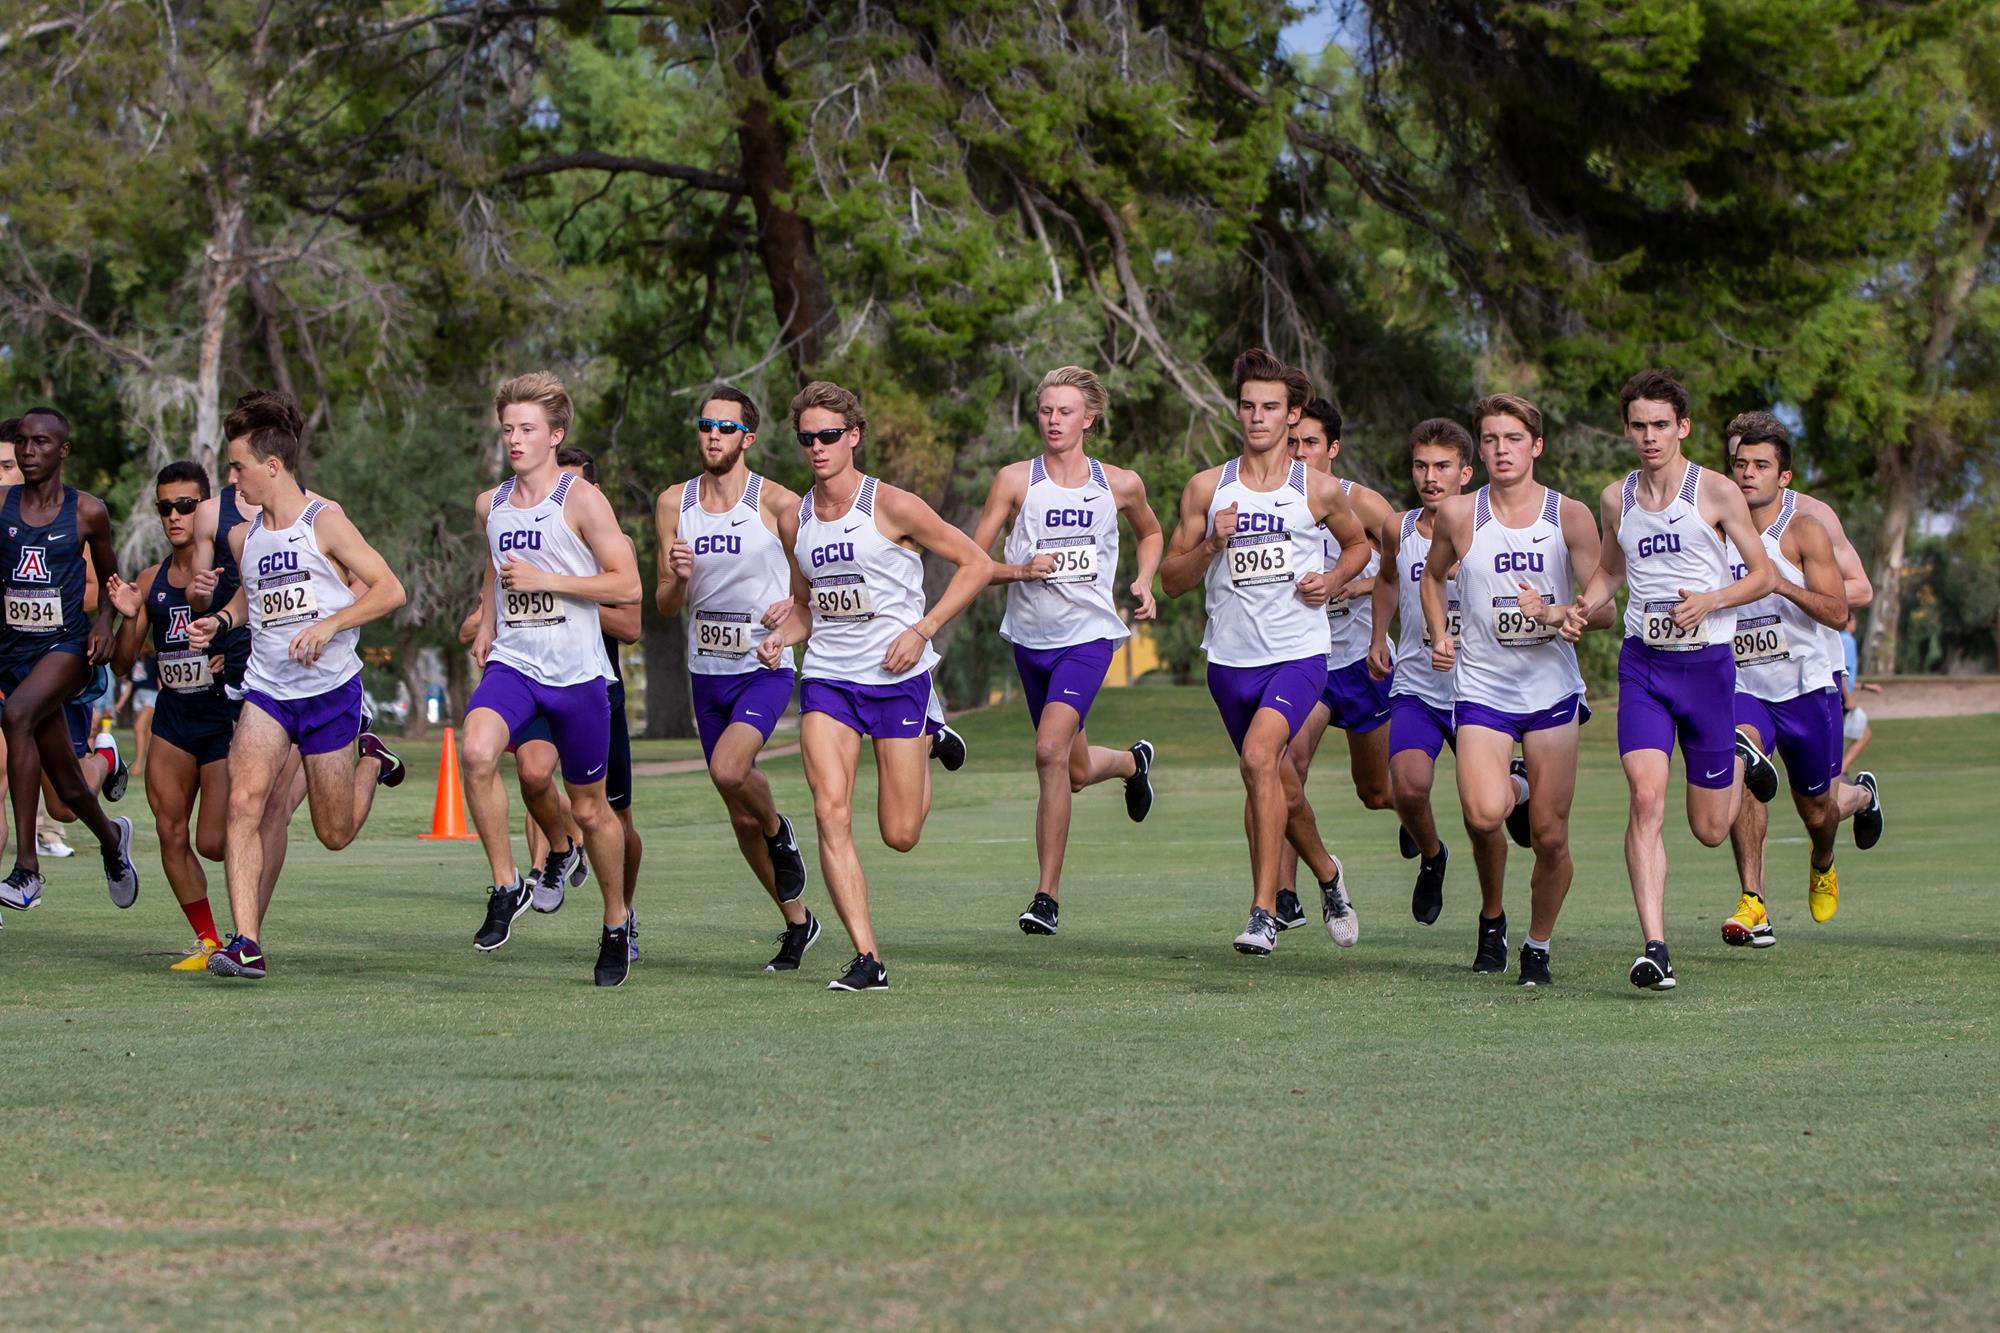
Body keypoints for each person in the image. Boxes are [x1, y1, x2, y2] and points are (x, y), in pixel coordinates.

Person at [756, 380, 993, 991]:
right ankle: (868, 958)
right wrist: (785, 634)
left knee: (900, 833)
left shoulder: (893, 506)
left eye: (829, 436)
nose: (817, 447)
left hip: (896, 678)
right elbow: (809, 606)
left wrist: (923, 629)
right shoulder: (794, 517)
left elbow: (977, 565)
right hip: (830, 677)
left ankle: (931, 732)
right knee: (829, 811)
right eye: (806, 438)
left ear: (854, 436)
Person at [1560, 370, 1777, 992]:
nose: (1650, 436)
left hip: (1707, 668)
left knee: (1711, 830)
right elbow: (1608, 571)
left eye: (1662, 425)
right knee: (1646, 798)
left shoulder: (1715, 492)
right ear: (1626, 428)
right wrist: (1583, 606)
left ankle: (1739, 751)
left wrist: (1711, 600)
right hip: (1644, 665)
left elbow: (1760, 575)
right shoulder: (1614, 498)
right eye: (1639, 425)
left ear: (1682, 427)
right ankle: (1655, 946)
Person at [186, 389, 408, 980]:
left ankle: (370, 758)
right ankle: (247, 943)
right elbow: (250, 595)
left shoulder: (325, 522)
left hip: (331, 691)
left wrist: (332, 623)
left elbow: (390, 589)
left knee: (334, 833)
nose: (231, 477)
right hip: (266, 691)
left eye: (237, 467)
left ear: (273, 465)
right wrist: (224, 619)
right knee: (243, 802)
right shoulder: (243, 536)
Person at [1159, 348, 1370, 956]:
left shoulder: (1319, 490)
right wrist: (1210, 546)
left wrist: (1331, 583)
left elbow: (1357, 547)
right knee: (1279, 782)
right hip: (1229, 662)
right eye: (1248, 405)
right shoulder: (1207, 489)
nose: (1257, 417)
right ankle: (1329, 876)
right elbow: (1174, 580)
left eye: (1270, 408)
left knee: (1258, 760)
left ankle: (1263, 910)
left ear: (1291, 413)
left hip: (1299, 654)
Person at [968, 366, 1162, 937]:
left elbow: (1150, 532)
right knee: (1073, 770)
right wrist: (1018, 570)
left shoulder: (1118, 483)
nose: (1054, 421)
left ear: (1088, 419)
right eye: (1046, 411)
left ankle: (1046, 896)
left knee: (1049, 751)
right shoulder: (1014, 481)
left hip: (1089, 638)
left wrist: (1145, 581)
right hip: (1030, 641)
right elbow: (973, 560)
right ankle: (1131, 762)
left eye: (1065, 412)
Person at [461, 374, 641, 986]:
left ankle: (616, 922)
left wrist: (549, 581)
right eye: (508, 428)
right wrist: (487, 619)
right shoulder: (491, 504)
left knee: (592, 813)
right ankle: (506, 883)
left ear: (555, 436)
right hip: (516, 663)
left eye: (527, 429)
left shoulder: (580, 500)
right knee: (476, 751)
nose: (514, 438)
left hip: (578, 675)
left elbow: (627, 586)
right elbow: (494, 564)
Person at [1423, 395, 1604, 985]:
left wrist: (1559, 613)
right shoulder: (1459, 515)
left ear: (1536, 446)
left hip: (1551, 691)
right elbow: (1430, 577)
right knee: (1481, 812)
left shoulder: (1569, 515)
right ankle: (1516, 789)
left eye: (1513, 439)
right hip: (1483, 688)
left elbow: (1602, 608)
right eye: (1492, 439)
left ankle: (1537, 945)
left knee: (1551, 838)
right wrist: (1438, 633)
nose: (1502, 449)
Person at [655, 388, 820, 970]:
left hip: (763, 667)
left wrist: (788, 614)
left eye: (725, 428)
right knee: (737, 813)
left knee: (731, 771)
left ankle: (782, 831)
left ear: (747, 438)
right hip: (706, 673)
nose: (712, 436)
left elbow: (812, 593)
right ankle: (797, 921)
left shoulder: (779, 504)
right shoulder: (674, 502)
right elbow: (667, 604)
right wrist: (676, 579)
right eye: (705, 426)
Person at [1721, 421, 1883, 945]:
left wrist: (1781, 582)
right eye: (1739, 463)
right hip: (1743, 681)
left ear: (1783, 475)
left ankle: (1839, 831)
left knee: (1818, 811)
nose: (1746, 474)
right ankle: (1752, 900)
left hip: (1808, 684)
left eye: (1759, 465)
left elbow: (1843, 604)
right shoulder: (1712, 522)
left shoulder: (1808, 523)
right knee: (1742, 765)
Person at [0, 406, 142, 917]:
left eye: (41, 442)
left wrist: (105, 624)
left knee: (15, 716)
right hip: (12, 653)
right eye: (22, 441)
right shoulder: (1, 506)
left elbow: (111, 581)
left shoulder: (87, 511)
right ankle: (112, 842)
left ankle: (27, 870)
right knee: (66, 787)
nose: (29, 450)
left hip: (66, 649)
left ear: (62, 451)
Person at [105, 463, 243, 969]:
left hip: (223, 721)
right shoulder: (150, 580)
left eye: (186, 505)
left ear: (205, 507)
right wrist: (126, 615)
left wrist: (234, 650)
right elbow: (122, 665)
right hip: (173, 721)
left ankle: (245, 927)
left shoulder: (232, 573)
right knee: (169, 831)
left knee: (213, 842)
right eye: (165, 507)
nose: (175, 515)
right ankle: (209, 942)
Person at [1273, 394, 1396, 937]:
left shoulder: (1359, 501)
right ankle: (1286, 893)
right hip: (1309, 660)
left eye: (1311, 444)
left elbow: (1407, 556)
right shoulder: (1272, 498)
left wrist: (1355, 583)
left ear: (1334, 448)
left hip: (1361, 661)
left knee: (1377, 793)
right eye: (1293, 442)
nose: (1300, 453)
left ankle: (1413, 817)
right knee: (1285, 766)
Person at [1366, 418, 1488, 927]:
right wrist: (1378, 638)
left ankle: (1494, 916)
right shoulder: (1399, 527)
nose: (1429, 476)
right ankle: (1433, 856)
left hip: (1482, 690)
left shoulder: (1491, 528)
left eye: (1442, 467)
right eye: (1420, 466)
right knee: (1408, 787)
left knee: (1486, 812)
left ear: (1465, 472)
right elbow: (1388, 581)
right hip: (1418, 682)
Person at [555, 447, 645, 961]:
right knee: (532, 768)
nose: (561, 495)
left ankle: (623, 916)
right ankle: (558, 857)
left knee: (619, 817)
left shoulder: (615, 547)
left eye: (572, 486)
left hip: (600, 689)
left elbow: (630, 626)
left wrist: (568, 598)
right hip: (543, 683)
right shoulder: (531, 540)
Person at [1837, 614, 1883, 773]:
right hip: (1842, 697)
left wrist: (1866, 687)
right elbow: (1841, 673)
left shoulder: (1837, 639)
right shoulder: (1848, 641)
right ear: (1848, 622)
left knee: (1839, 737)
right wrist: (1848, 699)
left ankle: (1838, 771)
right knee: (1863, 734)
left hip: (1836, 694)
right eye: (1854, 619)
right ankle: (1840, 772)